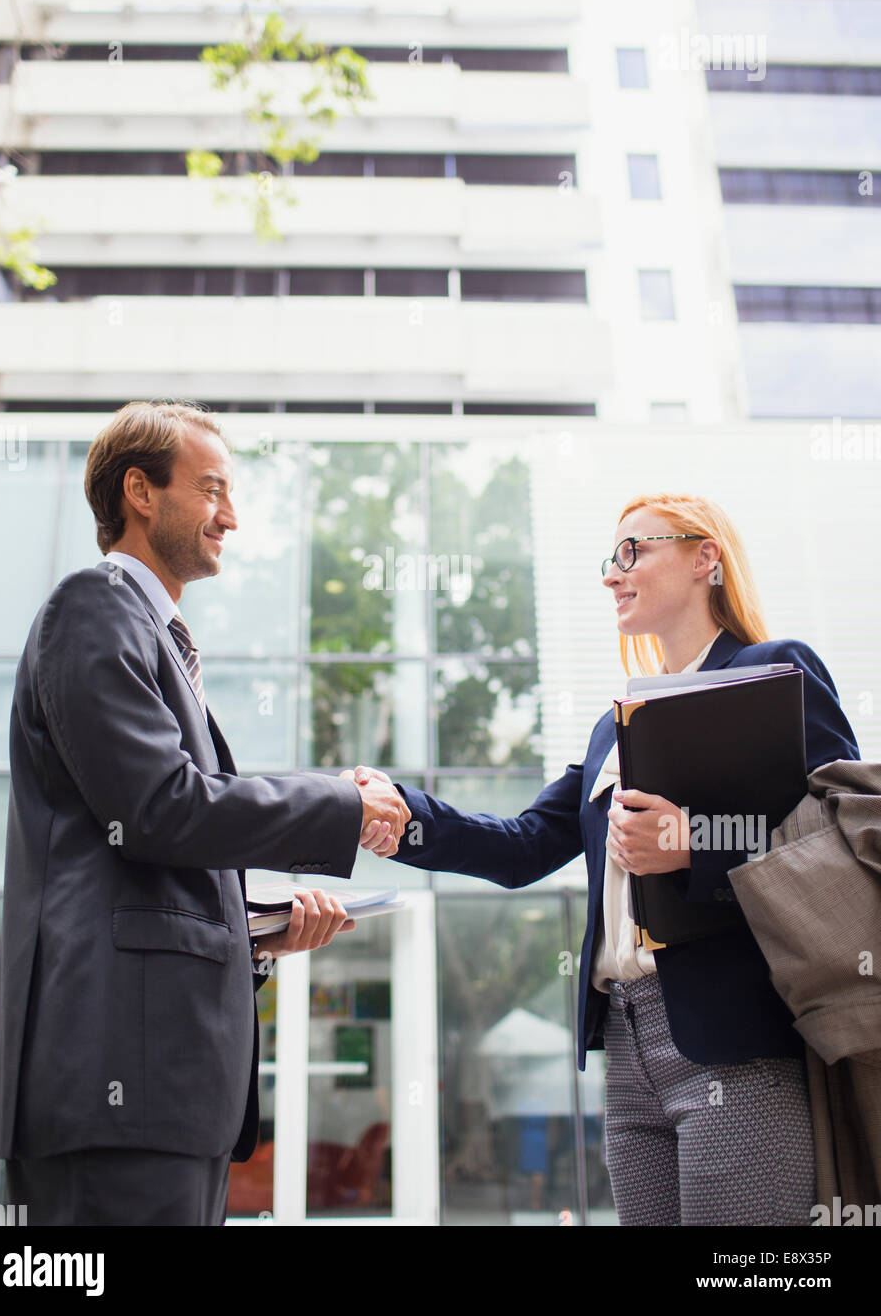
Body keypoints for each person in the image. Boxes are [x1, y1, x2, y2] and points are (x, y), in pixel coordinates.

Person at [344, 492, 860, 1225]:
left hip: (737, 1040)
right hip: (626, 1042)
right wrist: (407, 817)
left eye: (632, 553)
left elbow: (836, 841)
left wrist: (691, 845)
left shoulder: (774, 673)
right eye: (607, 561)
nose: (613, 575)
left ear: (703, 558)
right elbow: (523, 845)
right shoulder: (613, 730)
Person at [0, 399, 410, 1226]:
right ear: (140, 492)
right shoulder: (94, 607)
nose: (232, 517)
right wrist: (341, 804)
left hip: (167, 1092)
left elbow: (147, 856)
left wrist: (255, 931)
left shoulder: (154, 634)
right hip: (117, 1085)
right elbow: (158, 807)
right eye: (211, 489)